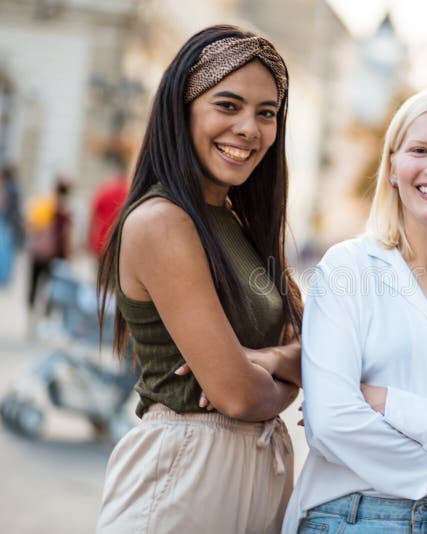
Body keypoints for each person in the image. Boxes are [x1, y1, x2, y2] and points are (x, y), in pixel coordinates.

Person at [95, 25, 303, 533]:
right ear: (182, 109)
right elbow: (235, 396)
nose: (250, 129)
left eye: (266, 113)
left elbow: (305, 346)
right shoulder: (162, 221)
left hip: (250, 475)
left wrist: (272, 362)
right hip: (184, 476)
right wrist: (287, 384)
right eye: (227, 106)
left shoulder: (236, 223)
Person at [284, 86, 427, 533]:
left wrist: (387, 402)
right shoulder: (346, 269)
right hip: (350, 517)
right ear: (392, 165)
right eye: (420, 150)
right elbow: (332, 424)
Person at [26, 178, 72, 308]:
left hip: (38, 251)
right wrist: (69, 254)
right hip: (55, 254)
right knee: (51, 285)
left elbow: (32, 225)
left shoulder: (44, 204)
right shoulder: (65, 212)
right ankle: (46, 311)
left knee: (34, 281)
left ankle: (31, 307)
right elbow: (66, 235)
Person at [87, 160, 129, 258]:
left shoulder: (103, 190)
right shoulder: (128, 190)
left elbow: (92, 218)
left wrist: (89, 241)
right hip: (119, 244)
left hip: (101, 243)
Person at [0, 165, 22, 286]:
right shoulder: (14, 187)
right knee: (8, 250)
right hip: (11, 222)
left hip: (7, 221)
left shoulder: (8, 188)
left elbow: (4, 205)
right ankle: (5, 276)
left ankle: (3, 276)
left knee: (5, 250)